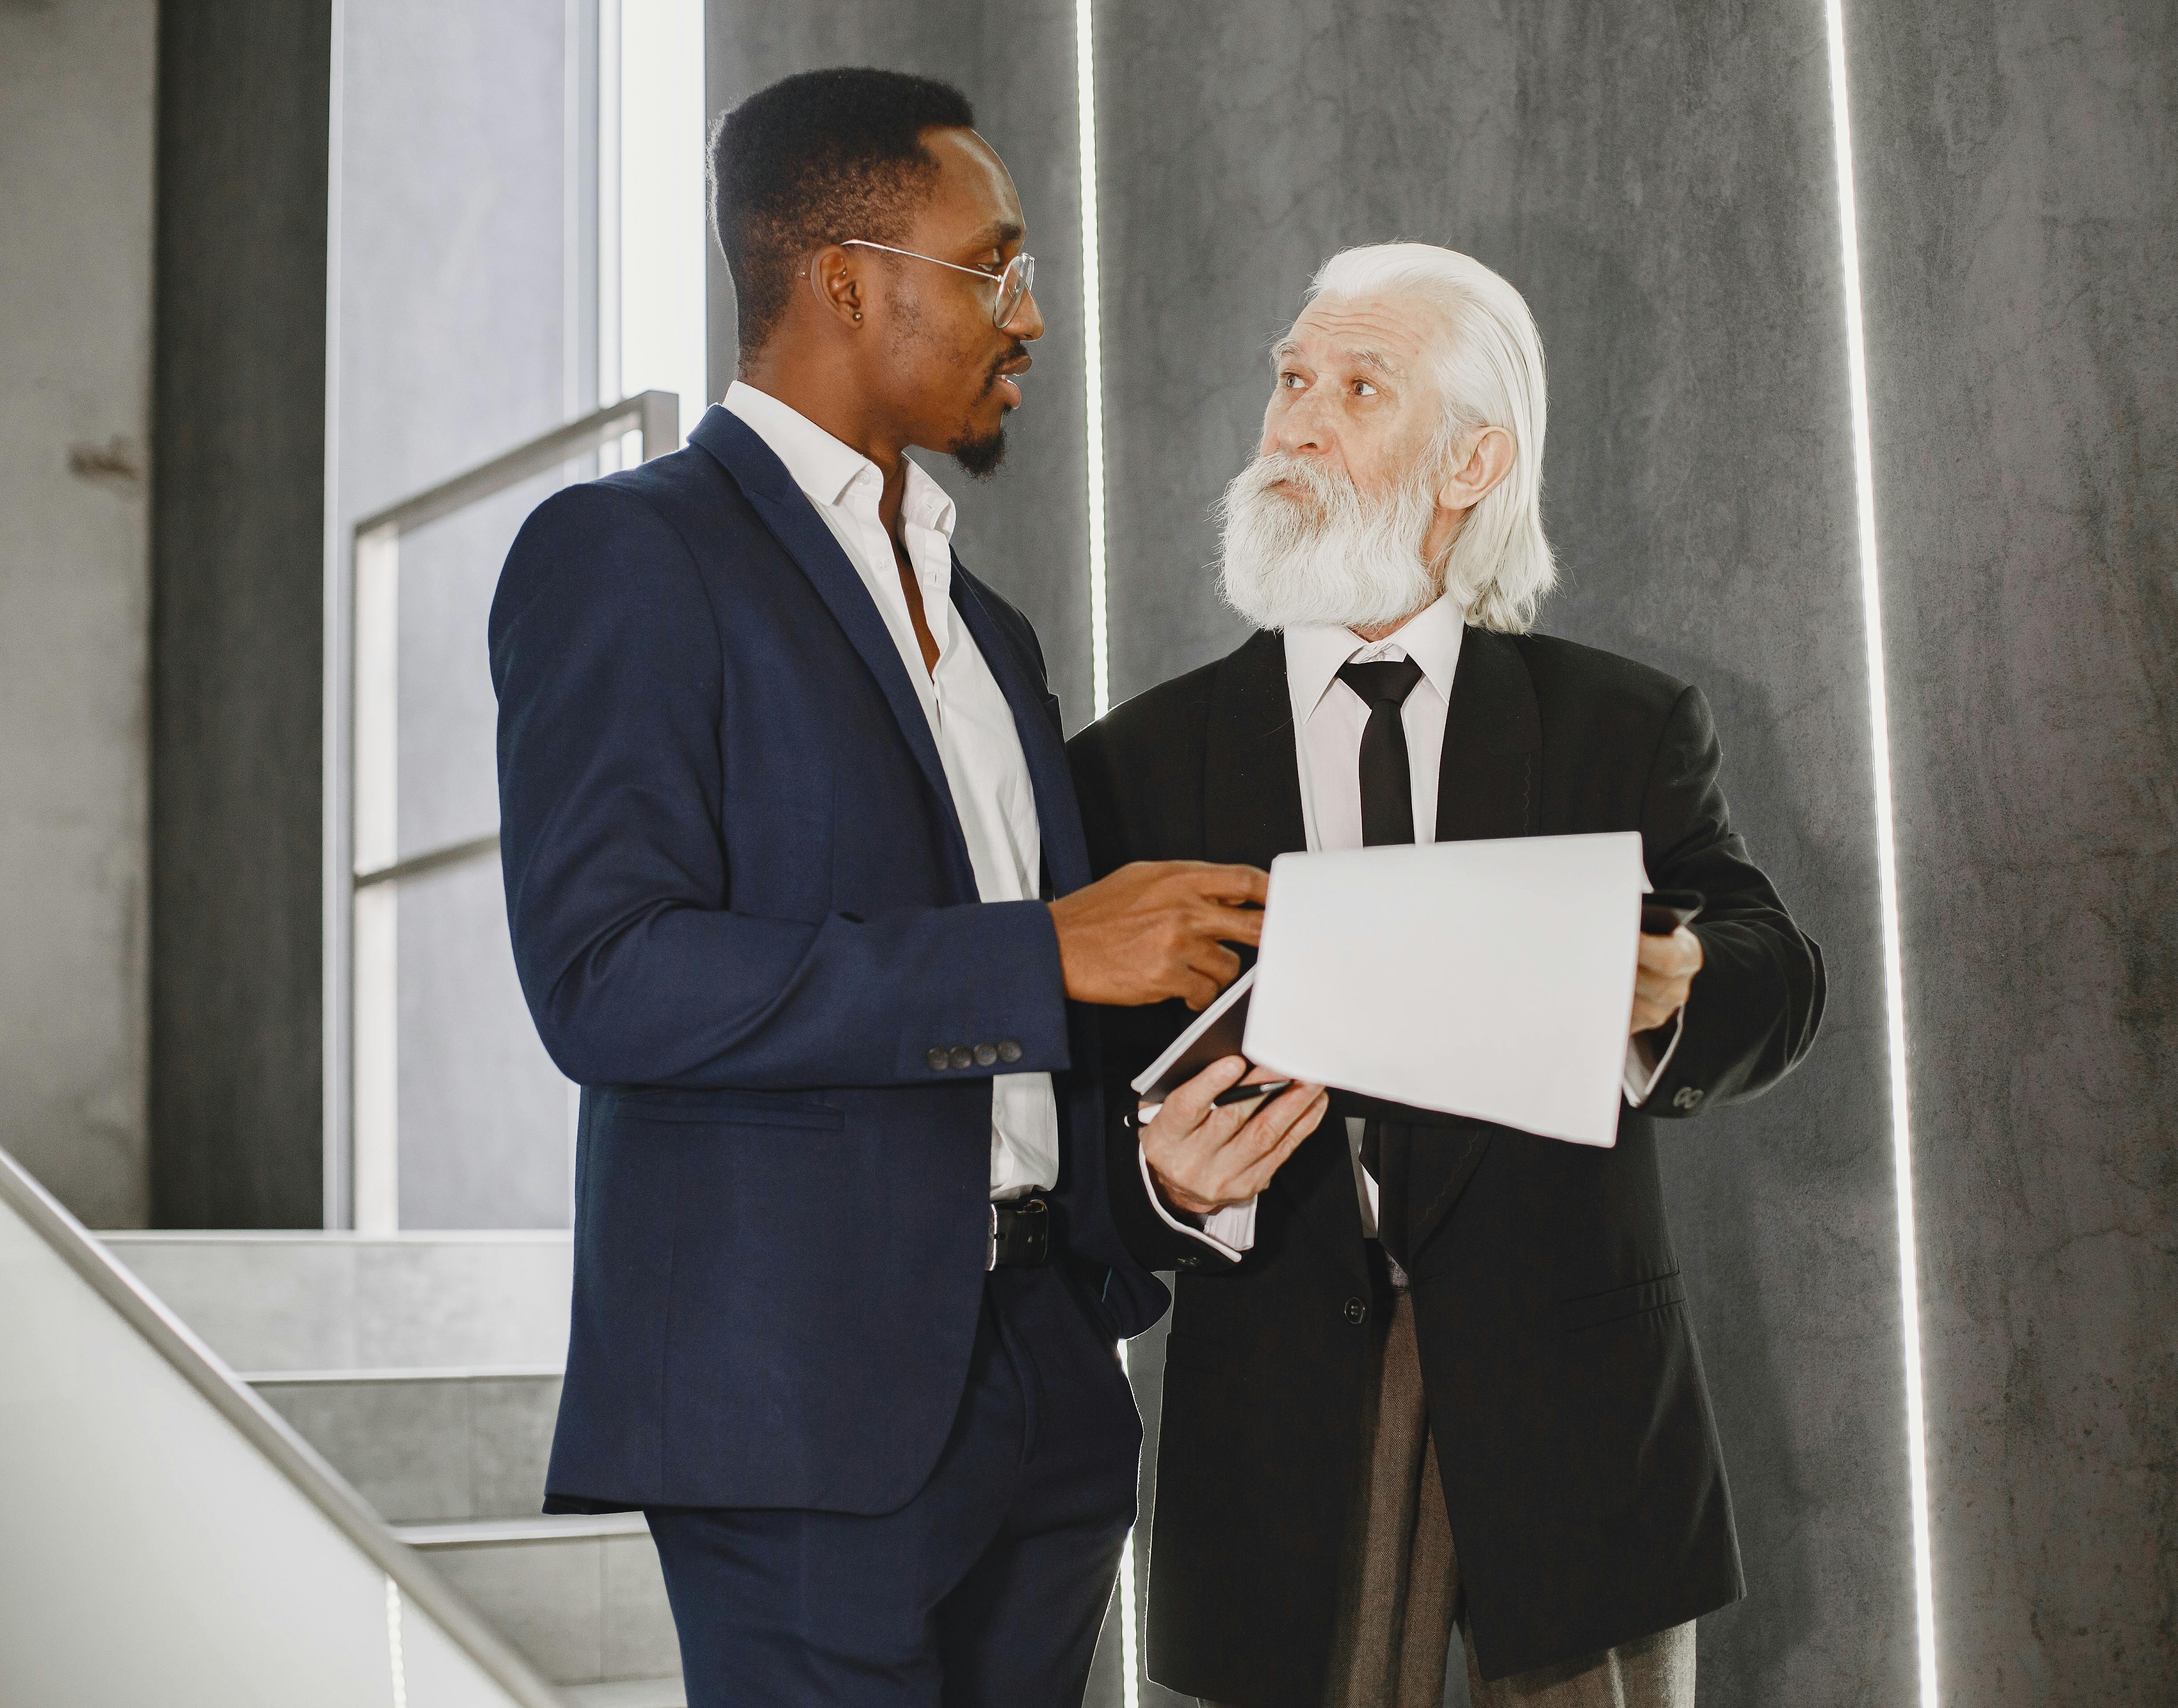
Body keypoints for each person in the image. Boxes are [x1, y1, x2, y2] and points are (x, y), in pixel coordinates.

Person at [488, 68, 1323, 1707]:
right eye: (993, 266)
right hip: (795, 1415)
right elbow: (609, 976)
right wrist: (1041, 956)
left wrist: (1150, 1179)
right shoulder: (629, 555)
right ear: (848, 279)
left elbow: (1030, 1036)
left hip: (1052, 1392)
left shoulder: (992, 629)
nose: (1030, 314)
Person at [1067, 243, 1827, 1708]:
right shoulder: (1130, 767)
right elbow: (1071, 1115)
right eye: (1291, 379)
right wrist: (1161, 1172)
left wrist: (1671, 989)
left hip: (1579, 1422)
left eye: (1359, 387)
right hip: (1276, 1427)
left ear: (1475, 461)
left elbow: (1777, 974)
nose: (1296, 420)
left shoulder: (1622, 723)